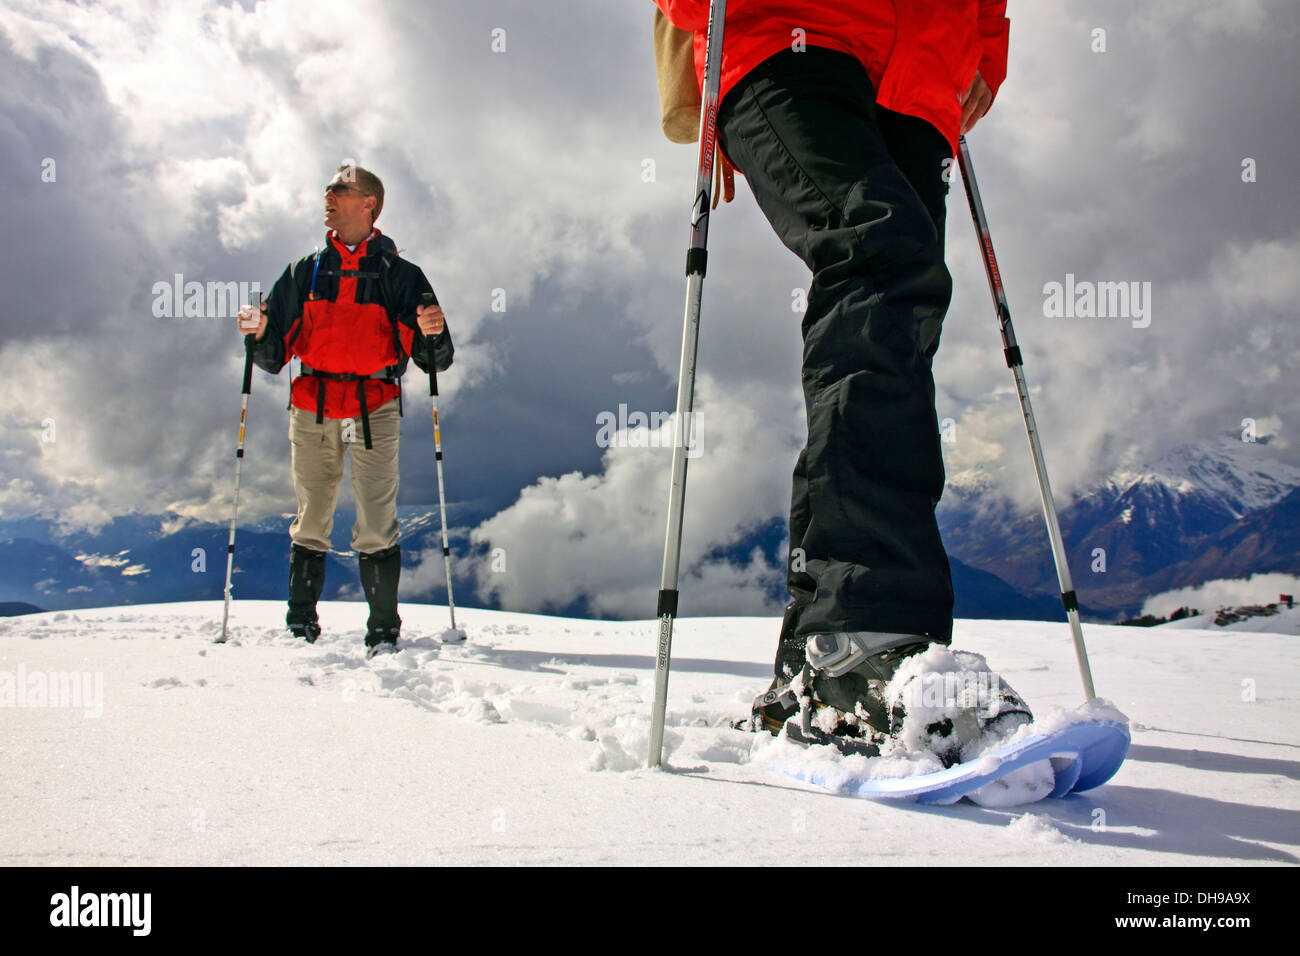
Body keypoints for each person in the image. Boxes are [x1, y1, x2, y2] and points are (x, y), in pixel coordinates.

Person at [653, 0, 1030, 760]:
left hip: (924, 76)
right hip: (790, 33)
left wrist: (984, 51)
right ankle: (865, 634)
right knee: (880, 251)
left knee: (897, 319)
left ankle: (811, 668)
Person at [236, 165, 453, 659]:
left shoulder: (402, 276)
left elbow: (434, 360)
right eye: (329, 189)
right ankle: (300, 626)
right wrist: (259, 331)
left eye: (340, 189)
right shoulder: (303, 271)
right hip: (314, 406)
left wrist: (433, 331)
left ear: (368, 204)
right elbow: (272, 359)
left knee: (376, 520)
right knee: (312, 516)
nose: (328, 196)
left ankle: (382, 633)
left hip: (373, 407)